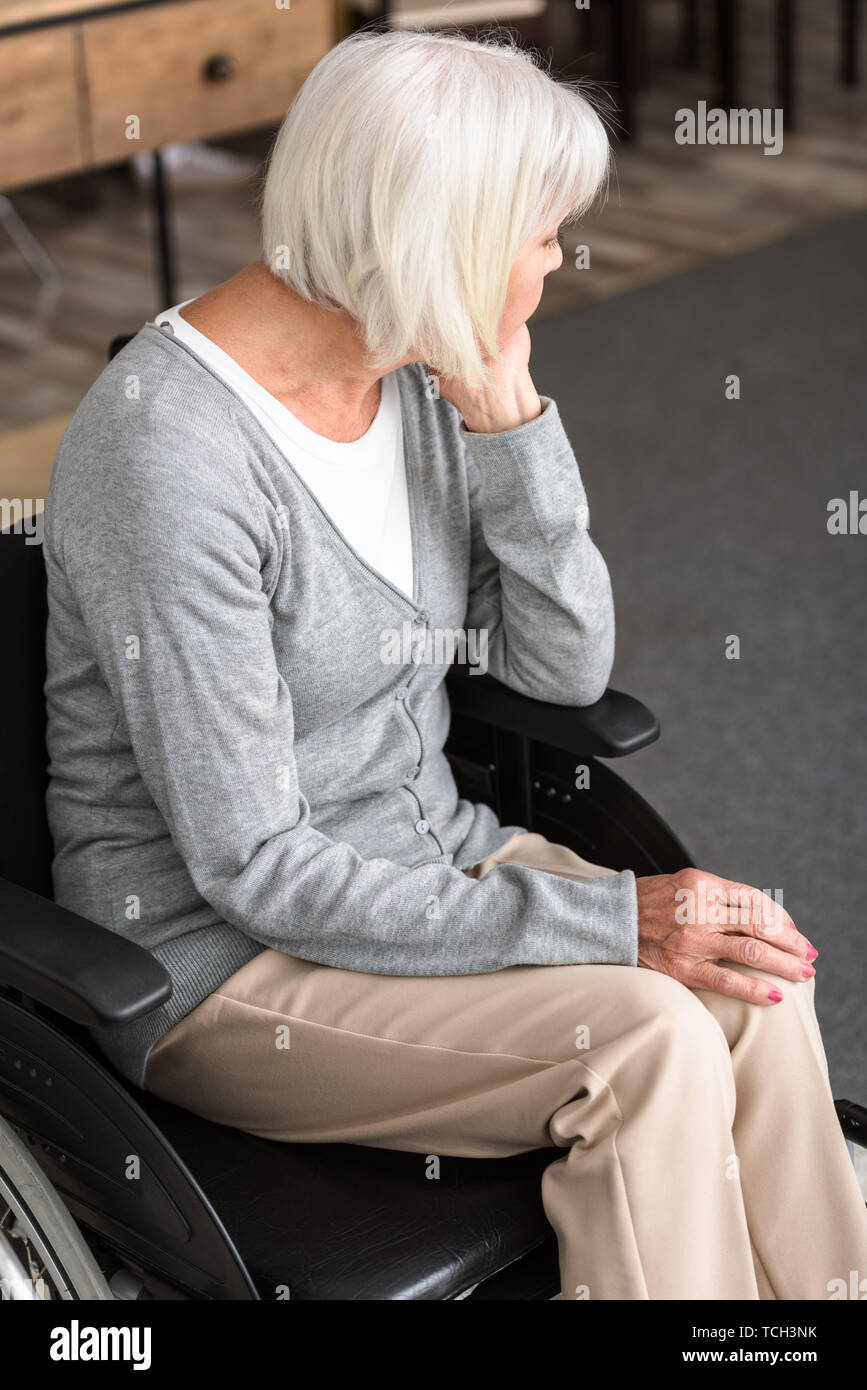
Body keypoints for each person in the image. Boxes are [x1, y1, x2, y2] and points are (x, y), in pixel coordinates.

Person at [43, 27, 867, 1300]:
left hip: (431, 856)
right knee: (644, 1039)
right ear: (442, 236)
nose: (554, 259)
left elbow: (564, 666)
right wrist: (607, 921)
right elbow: (253, 865)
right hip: (221, 963)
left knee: (747, 973)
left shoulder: (415, 380)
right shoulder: (172, 456)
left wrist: (511, 424)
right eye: (538, 232)